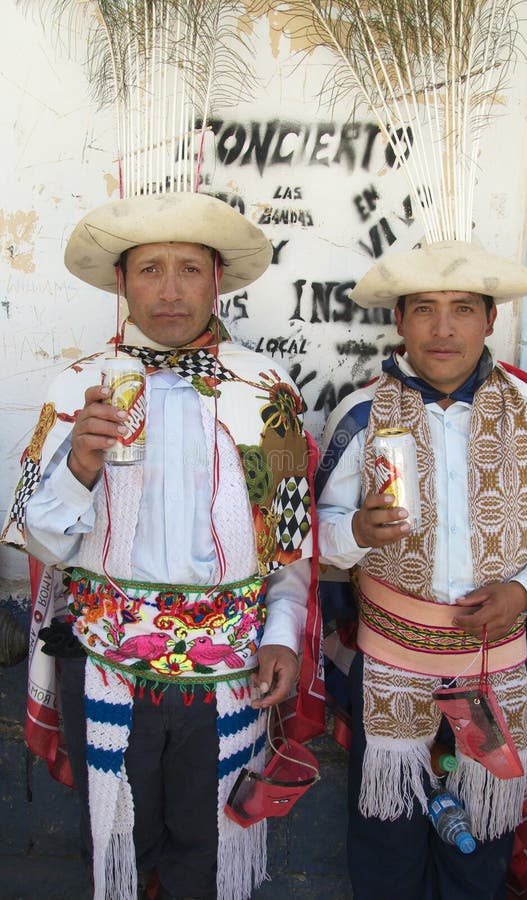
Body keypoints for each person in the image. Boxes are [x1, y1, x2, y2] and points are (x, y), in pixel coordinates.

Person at [1, 191, 319, 900]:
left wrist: (282, 636)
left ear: (216, 279)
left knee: (206, 854)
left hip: (228, 677)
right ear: (121, 283)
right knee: (116, 848)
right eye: (149, 269)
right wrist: (80, 465)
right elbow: (39, 540)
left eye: (188, 270)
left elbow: (289, 552)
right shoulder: (77, 385)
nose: (170, 291)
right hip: (108, 667)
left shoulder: (264, 391)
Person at [315, 237, 527, 900]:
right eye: (424, 310)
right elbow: (313, 541)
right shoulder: (360, 416)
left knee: (479, 846)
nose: (442, 329)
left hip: (492, 665)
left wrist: (522, 589)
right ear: (400, 321)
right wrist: (354, 530)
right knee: (387, 841)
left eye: (462, 309)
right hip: (391, 664)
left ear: (490, 319)